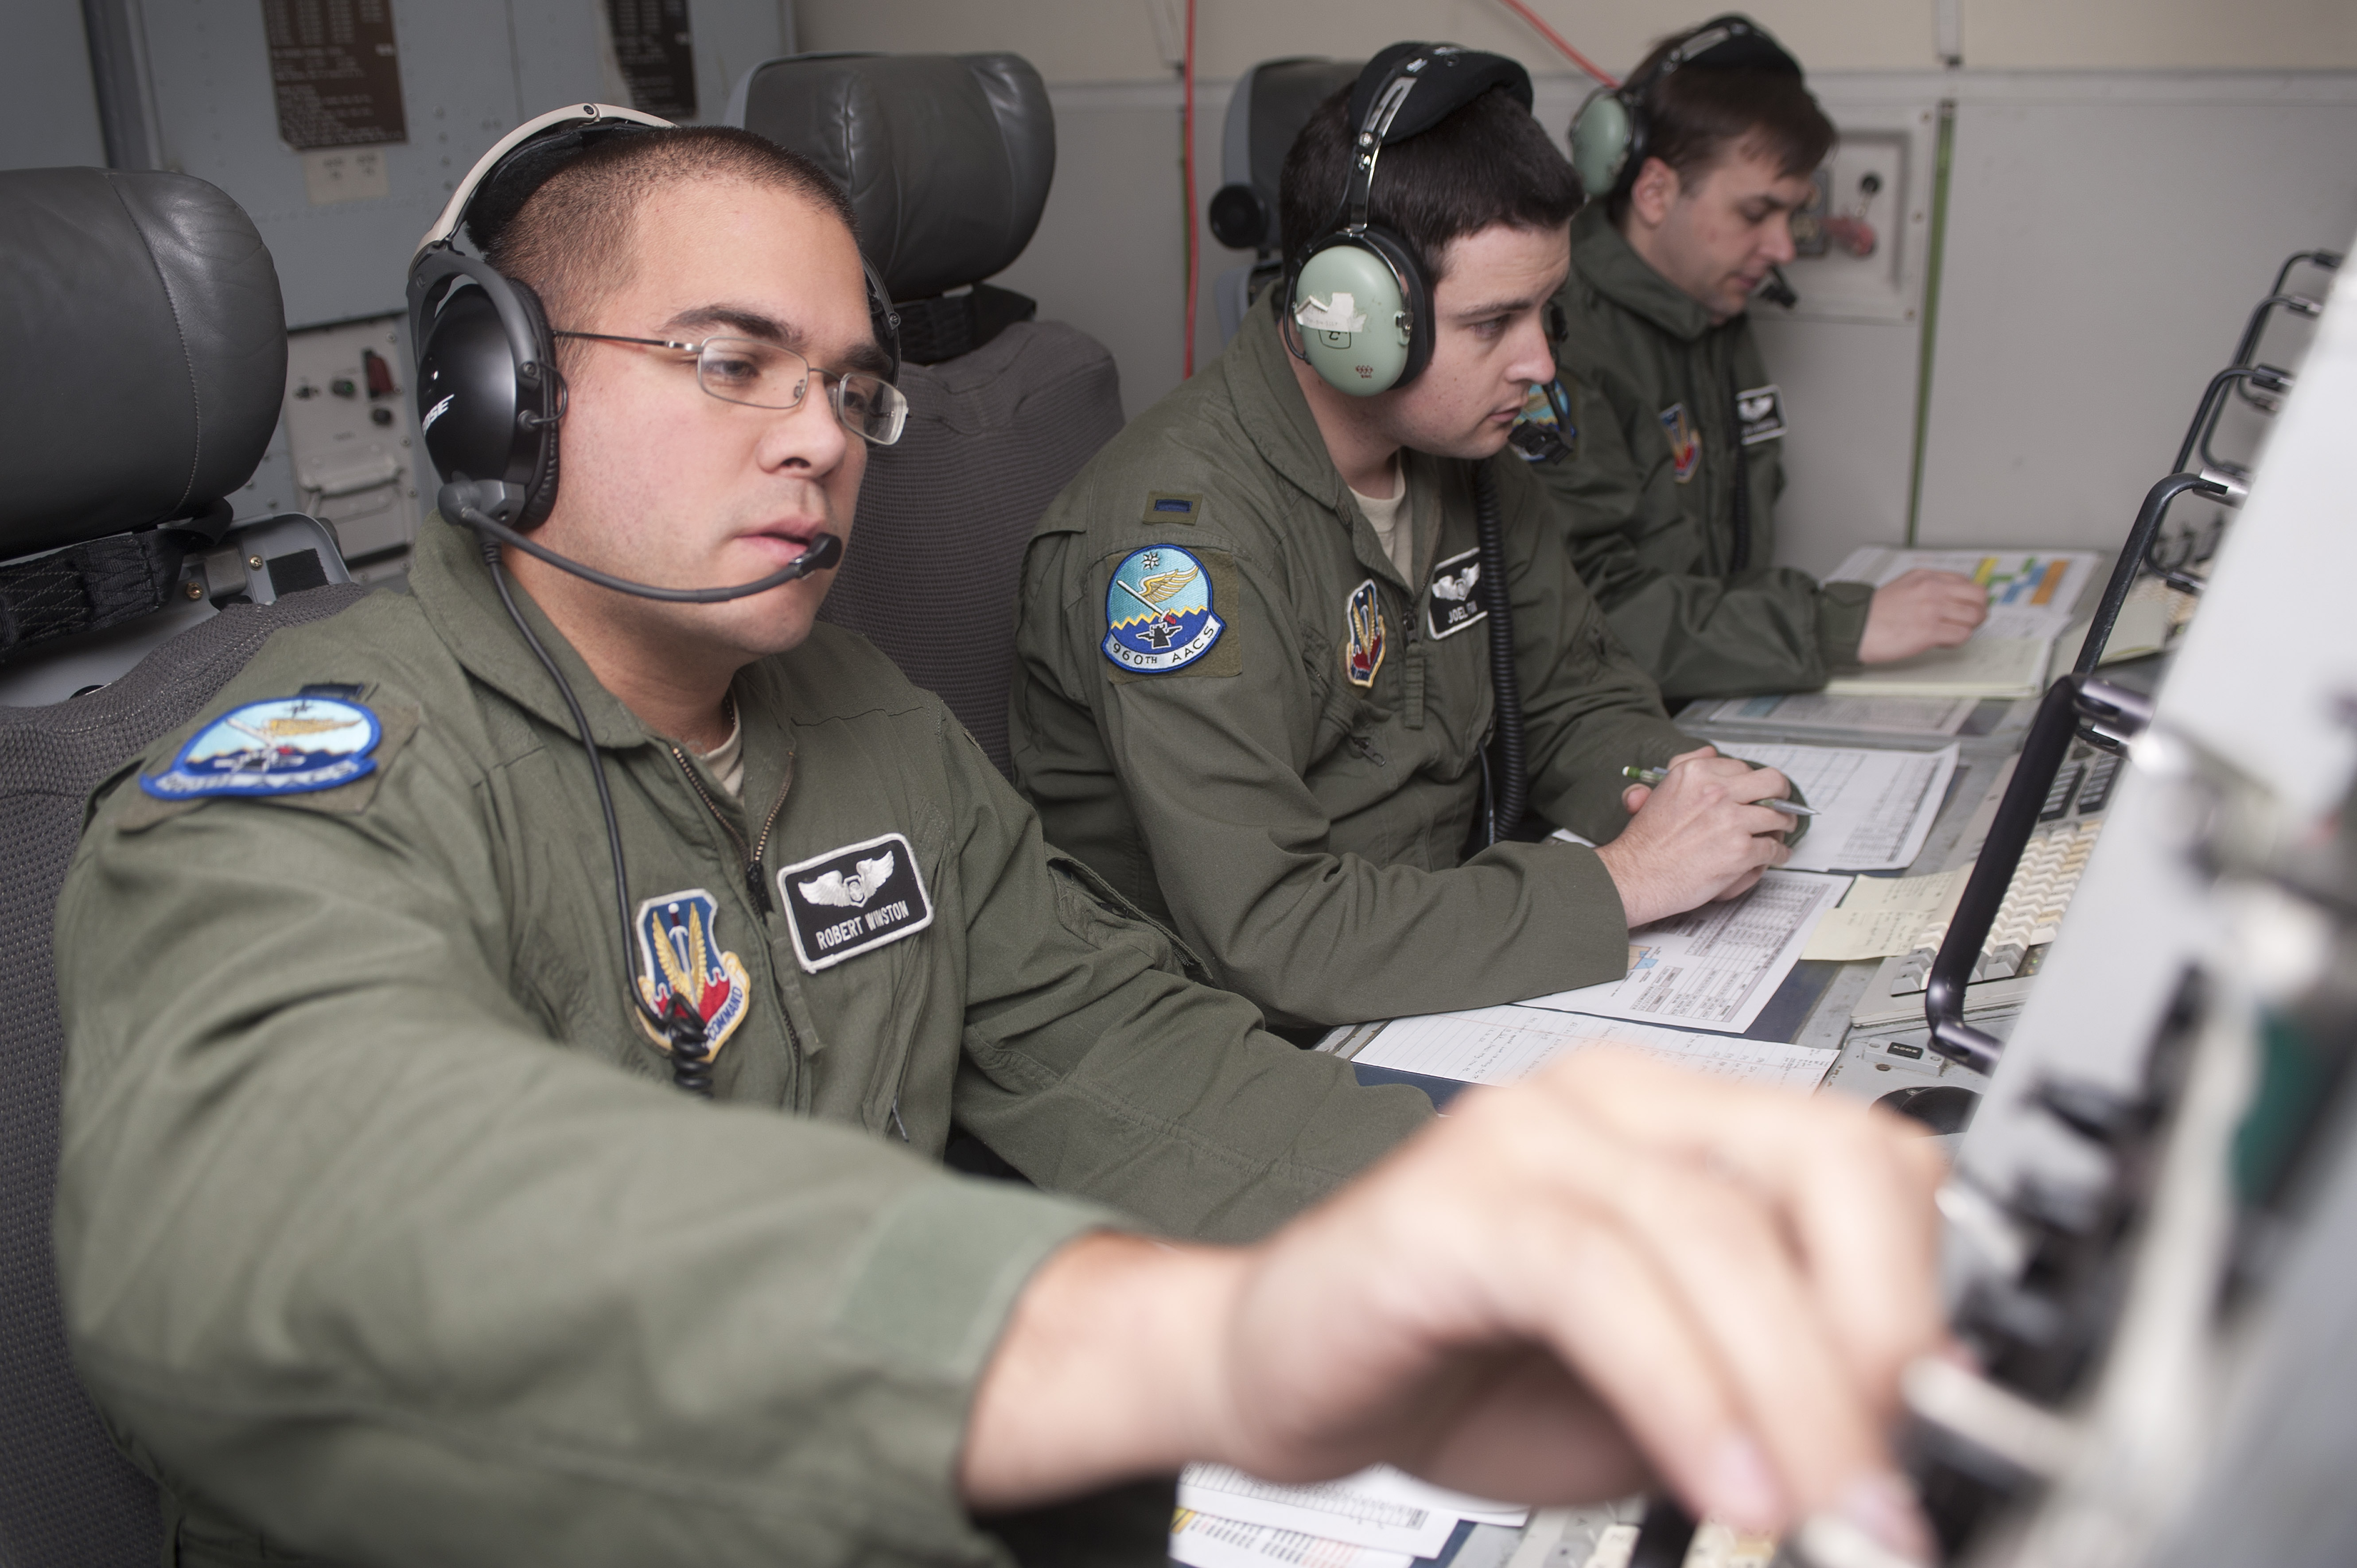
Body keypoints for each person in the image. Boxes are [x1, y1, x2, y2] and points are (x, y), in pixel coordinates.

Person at [53, 119, 1940, 1568]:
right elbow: (264, 1183)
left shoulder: (866, 730)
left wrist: (1522, 1218)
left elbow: (1128, 1055)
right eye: (733, 364)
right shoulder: (303, 773)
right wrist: (1128, 1342)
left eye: (851, 388)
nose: (819, 441)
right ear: (497, 390)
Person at [1011, 49, 1795, 1032]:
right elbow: (1274, 933)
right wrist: (1621, 883)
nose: (1540, 363)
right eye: (1494, 322)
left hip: (1422, 975)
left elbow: (1566, 700)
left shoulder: (1466, 458)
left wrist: (1678, 786)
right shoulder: (1179, 553)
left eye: (1545, 311)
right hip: (1229, 1034)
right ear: (1354, 323)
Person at [1533, 15, 1987, 702]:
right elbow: (1587, 616)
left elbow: (1723, 564)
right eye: (1757, 214)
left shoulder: (1712, 311)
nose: (1782, 248)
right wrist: (1836, 628)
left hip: (1700, 697)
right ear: (1654, 192)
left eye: (1793, 215)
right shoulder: (1559, 342)